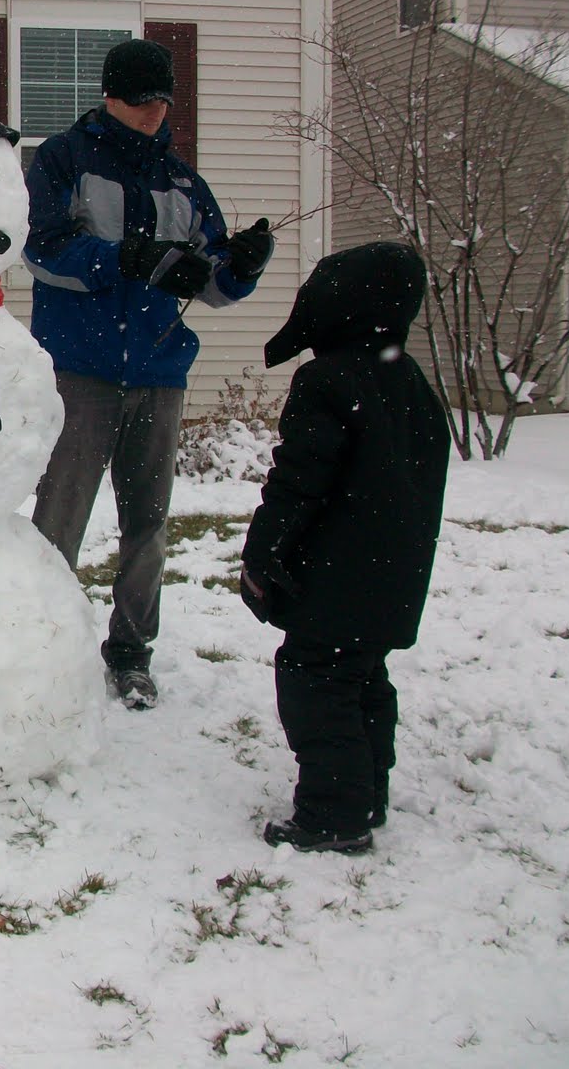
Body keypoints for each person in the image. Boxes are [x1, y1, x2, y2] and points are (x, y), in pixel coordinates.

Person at [25, 37, 274, 709]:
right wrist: (126, 259)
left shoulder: (182, 182)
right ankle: (38, 649)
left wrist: (242, 265)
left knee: (148, 526)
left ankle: (132, 653)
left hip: (159, 373)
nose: (152, 111)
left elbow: (213, 283)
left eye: (162, 99)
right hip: (80, 371)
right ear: (109, 96)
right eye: (140, 99)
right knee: (59, 520)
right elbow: (40, 251)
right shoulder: (64, 160)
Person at [240, 242, 450, 854]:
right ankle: (367, 793)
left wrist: (262, 553)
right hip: (393, 571)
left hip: (337, 574)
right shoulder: (407, 379)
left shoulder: (328, 380)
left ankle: (334, 814)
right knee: (362, 679)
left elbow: (299, 480)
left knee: (316, 684)